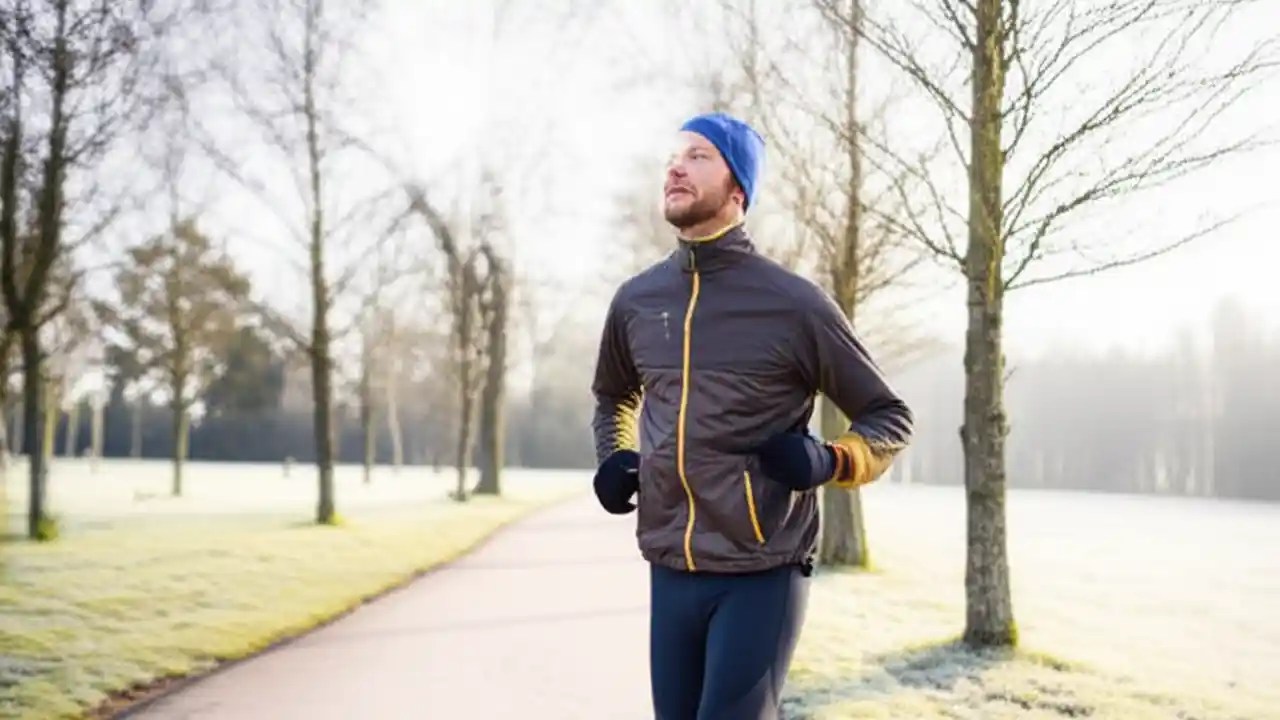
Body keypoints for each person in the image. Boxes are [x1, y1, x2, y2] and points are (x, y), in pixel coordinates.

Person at [590, 111, 914, 720]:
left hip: (761, 568)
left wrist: (830, 458)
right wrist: (613, 458)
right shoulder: (636, 300)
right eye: (673, 155)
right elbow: (613, 395)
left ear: (737, 188)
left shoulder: (794, 305)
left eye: (699, 156)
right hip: (670, 563)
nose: (675, 166)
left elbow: (888, 417)